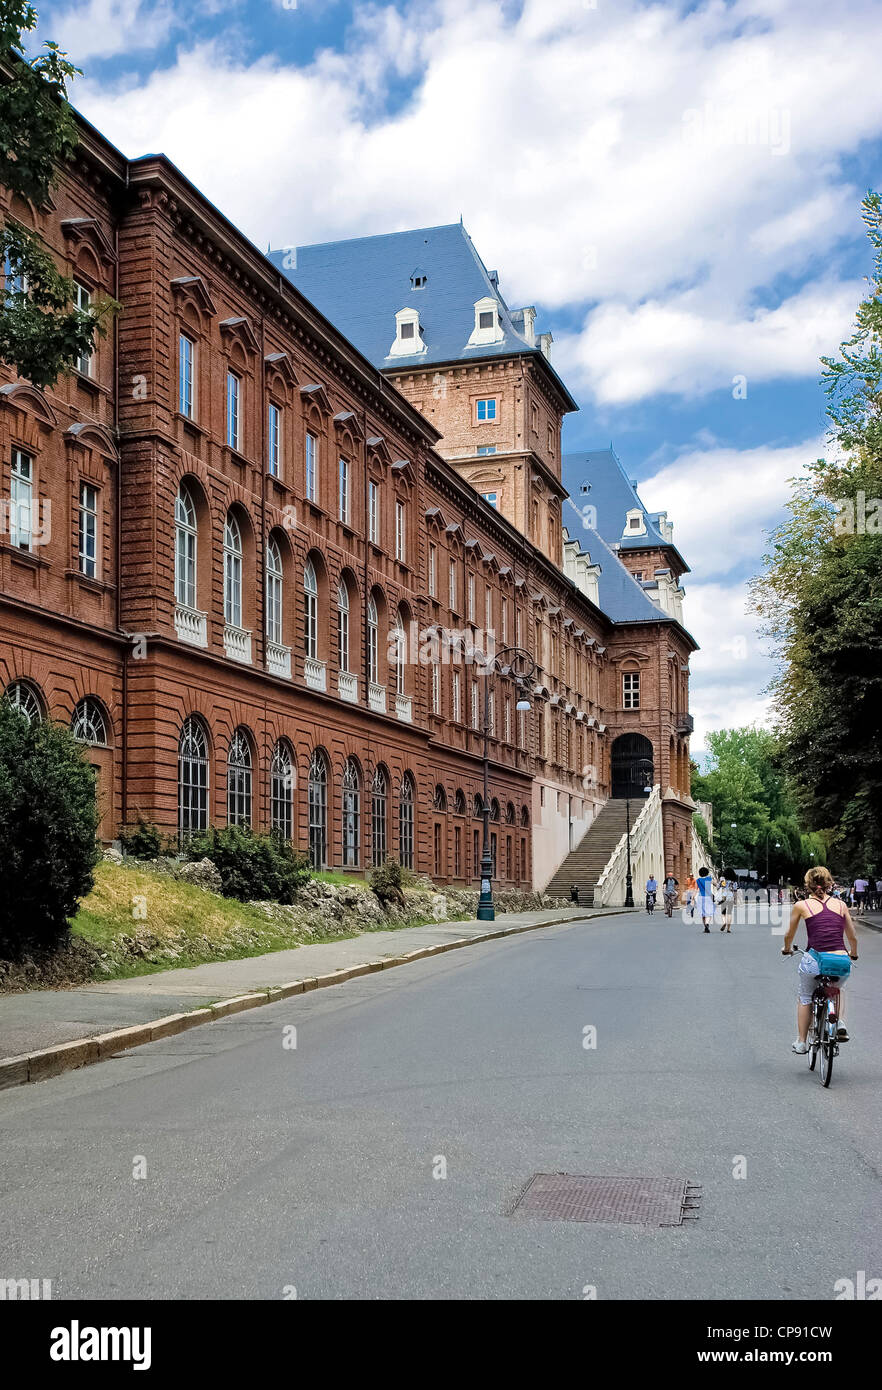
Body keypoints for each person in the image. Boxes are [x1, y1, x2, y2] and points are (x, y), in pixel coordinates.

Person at [781, 866, 858, 1053]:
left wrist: (787, 948)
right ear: (829, 883)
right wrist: (853, 953)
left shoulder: (801, 906)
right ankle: (839, 1022)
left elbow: (789, 934)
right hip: (840, 960)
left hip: (815, 959)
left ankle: (801, 1042)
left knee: (806, 996)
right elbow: (852, 936)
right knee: (837, 990)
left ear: (808, 886)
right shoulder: (841, 905)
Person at [696, 865, 714, 932]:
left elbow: (695, 890)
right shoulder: (709, 879)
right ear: (707, 873)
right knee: (708, 913)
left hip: (700, 897)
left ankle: (705, 927)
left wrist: (692, 898)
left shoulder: (698, 880)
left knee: (703, 913)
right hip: (708, 897)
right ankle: (707, 923)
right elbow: (716, 884)